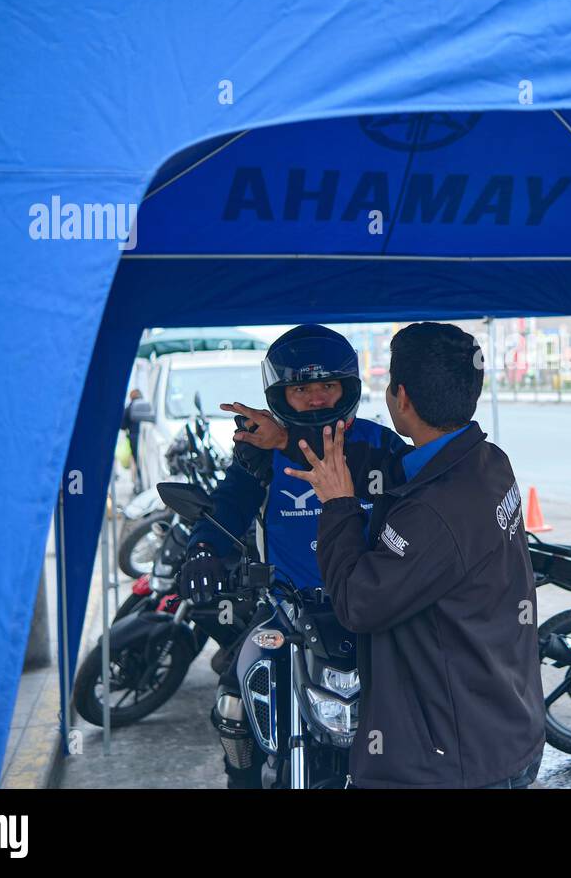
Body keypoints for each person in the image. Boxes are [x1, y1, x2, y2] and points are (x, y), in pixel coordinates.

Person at [287, 322, 545, 789]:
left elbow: (357, 603)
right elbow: (403, 470)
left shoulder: (434, 514)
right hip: (502, 724)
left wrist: (339, 506)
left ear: (400, 397)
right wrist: (285, 441)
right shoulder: (486, 462)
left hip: (451, 762)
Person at [179, 324, 407, 788]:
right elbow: (228, 506)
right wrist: (203, 548)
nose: (318, 397)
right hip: (285, 609)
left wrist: (285, 440)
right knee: (233, 702)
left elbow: (361, 466)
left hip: (371, 607)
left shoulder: (380, 447)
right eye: (302, 388)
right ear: (281, 393)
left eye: (327, 385)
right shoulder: (258, 456)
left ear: (349, 387)